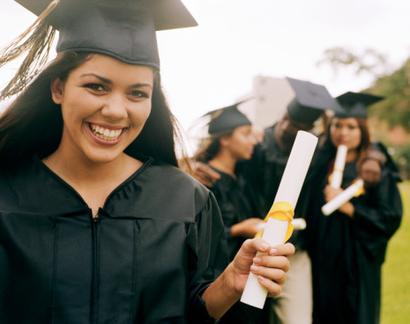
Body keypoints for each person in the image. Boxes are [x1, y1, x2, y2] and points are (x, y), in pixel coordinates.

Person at [0, 1, 294, 323]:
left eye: (137, 93)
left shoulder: (186, 201)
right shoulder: (8, 194)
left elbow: (190, 314)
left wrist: (227, 286)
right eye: (96, 87)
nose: (116, 110)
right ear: (58, 88)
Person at [192, 78, 343, 324]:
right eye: (286, 120)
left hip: (291, 247)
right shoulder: (258, 148)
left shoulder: (315, 154)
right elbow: (217, 159)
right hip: (248, 253)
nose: (286, 128)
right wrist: (195, 166)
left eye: (297, 126)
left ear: (309, 129)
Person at [305, 92, 403, 324]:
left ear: (363, 130)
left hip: (356, 261)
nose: (343, 133)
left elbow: (390, 217)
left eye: (351, 126)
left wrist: (350, 209)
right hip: (323, 258)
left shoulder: (374, 169)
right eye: (337, 125)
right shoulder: (320, 162)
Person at [194, 101, 269, 323]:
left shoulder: (241, 177)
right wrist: (239, 229)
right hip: (220, 280)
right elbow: (198, 235)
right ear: (225, 139)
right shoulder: (203, 181)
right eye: (245, 134)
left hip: (251, 276)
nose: (252, 141)